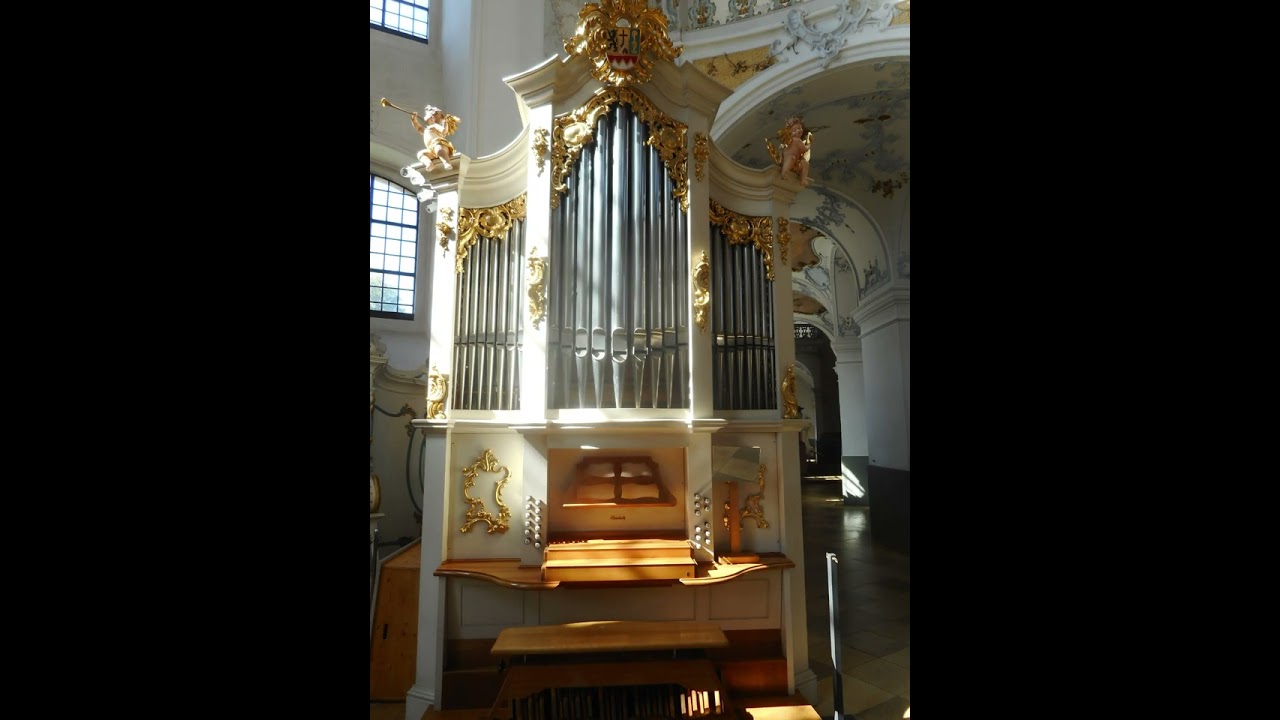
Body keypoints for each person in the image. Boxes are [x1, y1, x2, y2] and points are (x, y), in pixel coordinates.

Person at [410, 105, 459, 170]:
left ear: (432, 118)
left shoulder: (434, 126)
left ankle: (447, 162)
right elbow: (418, 128)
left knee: (438, 148)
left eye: (427, 116)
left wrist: (445, 124)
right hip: (432, 151)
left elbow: (444, 131)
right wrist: (414, 120)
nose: (425, 118)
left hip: (441, 147)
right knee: (420, 154)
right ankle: (429, 164)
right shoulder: (426, 130)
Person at [778, 115, 811, 186]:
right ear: (790, 133)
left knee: (805, 164)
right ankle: (784, 172)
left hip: (796, 164)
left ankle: (803, 179)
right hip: (791, 160)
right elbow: (804, 149)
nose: (799, 130)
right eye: (795, 130)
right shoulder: (796, 140)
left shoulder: (797, 141)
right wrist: (808, 145)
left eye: (800, 128)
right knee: (791, 158)